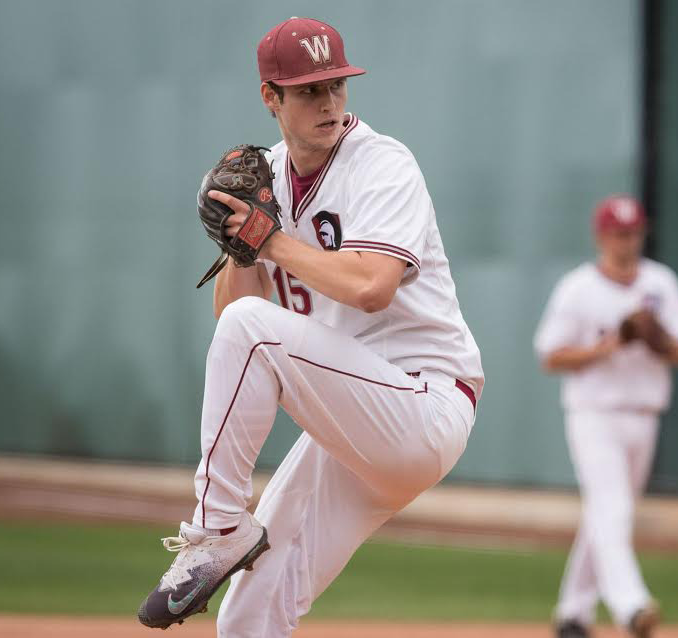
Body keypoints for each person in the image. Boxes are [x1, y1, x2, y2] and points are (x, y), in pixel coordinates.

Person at [137, 17, 483, 637]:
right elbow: (231, 321)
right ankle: (226, 538)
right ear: (270, 96)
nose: (327, 101)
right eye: (307, 90)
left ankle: (217, 528)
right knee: (249, 614)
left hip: (423, 403)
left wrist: (270, 243)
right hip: (349, 420)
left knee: (254, 328)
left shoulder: (382, 163)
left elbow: (372, 288)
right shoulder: (265, 175)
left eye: (336, 85)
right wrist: (244, 251)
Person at [533, 195, 678, 638]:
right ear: (601, 235)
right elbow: (550, 355)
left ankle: (572, 615)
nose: (628, 241)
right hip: (594, 413)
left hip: (645, 413)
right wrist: (611, 345)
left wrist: (658, 340)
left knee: (603, 516)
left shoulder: (661, 282)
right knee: (614, 508)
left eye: (634, 232)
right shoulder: (578, 287)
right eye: (619, 233)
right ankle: (631, 606)